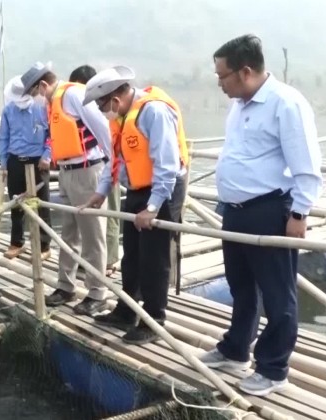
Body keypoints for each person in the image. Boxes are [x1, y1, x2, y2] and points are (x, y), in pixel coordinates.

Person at [197, 34, 323, 396]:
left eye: (223, 76)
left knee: (278, 293)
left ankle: (273, 368)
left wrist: (299, 213)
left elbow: (307, 165)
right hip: (235, 211)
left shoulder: (286, 103)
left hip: (270, 210)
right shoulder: (239, 104)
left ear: (246, 71)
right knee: (241, 286)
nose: (219, 83)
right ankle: (236, 349)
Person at [81, 66, 190, 344]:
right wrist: (101, 192)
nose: (104, 111)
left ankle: (153, 320)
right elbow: (115, 161)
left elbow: (166, 164)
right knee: (132, 255)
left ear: (115, 99)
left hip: (162, 191)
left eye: (102, 105)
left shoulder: (153, 112)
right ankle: (126, 310)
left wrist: (152, 208)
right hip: (138, 189)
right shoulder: (122, 118)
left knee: (154, 259)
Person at [21, 61, 111, 316]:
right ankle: (65, 285)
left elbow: (102, 127)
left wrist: (112, 163)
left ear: (43, 84)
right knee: (68, 233)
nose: (37, 97)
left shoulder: (73, 94)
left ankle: (97, 292)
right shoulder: (53, 103)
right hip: (67, 172)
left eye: (36, 92)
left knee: (93, 234)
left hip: (87, 170)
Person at [69, 65, 121, 278]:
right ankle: (91, 261)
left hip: (109, 164)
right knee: (91, 219)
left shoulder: (108, 111)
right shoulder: (85, 109)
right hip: (100, 167)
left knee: (110, 216)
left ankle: (108, 262)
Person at [0, 76, 52, 261]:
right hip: (15, 160)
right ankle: (16, 242)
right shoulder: (8, 111)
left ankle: (44, 244)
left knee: (41, 203)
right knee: (16, 203)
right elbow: (3, 137)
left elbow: (51, 135)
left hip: (38, 161)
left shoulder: (42, 108)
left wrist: (47, 155)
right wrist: (3, 163)